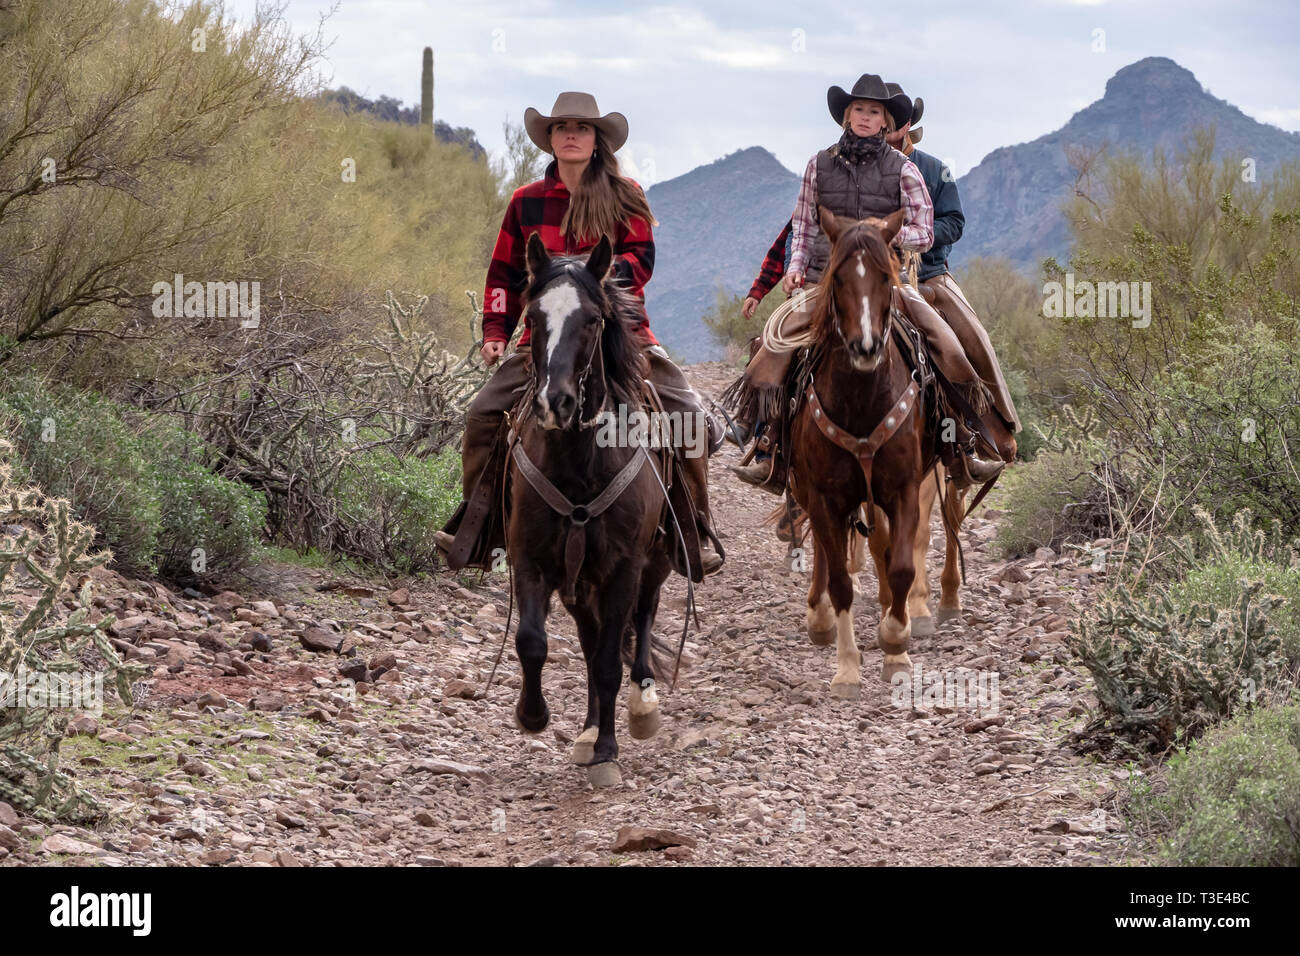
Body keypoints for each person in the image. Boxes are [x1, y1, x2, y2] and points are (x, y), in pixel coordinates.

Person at [433, 92, 724, 573]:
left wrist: (582, 281)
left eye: (581, 127)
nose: (570, 133)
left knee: (685, 413)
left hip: (621, 335)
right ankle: (481, 528)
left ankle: (692, 528)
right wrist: (495, 329)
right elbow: (503, 274)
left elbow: (641, 261)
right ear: (550, 138)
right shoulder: (525, 202)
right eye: (562, 126)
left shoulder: (626, 194)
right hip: (542, 341)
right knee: (484, 413)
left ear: (596, 140)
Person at [729, 74, 1004, 493]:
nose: (865, 116)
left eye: (874, 111)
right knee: (774, 344)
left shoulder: (907, 169)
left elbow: (926, 231)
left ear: (885, 121)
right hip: (825, 281)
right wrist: (795, 267)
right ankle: (769, 449)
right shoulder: (818, 164)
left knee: (946, 344)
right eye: (859, 109)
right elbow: (802, 225)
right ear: (846, 115)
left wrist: (880, 236)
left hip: (887, 282)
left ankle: (960, 445)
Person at [881, 84, 1021, 460]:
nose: (880, 132)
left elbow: (955, 222)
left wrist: (913, 240)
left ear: (905, 125)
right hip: (876, 275)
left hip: (928, 275)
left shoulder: (934, 169)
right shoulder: (863, 168)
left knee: (969, 340)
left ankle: (993, 431)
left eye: (888, 125)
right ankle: (775, 439)